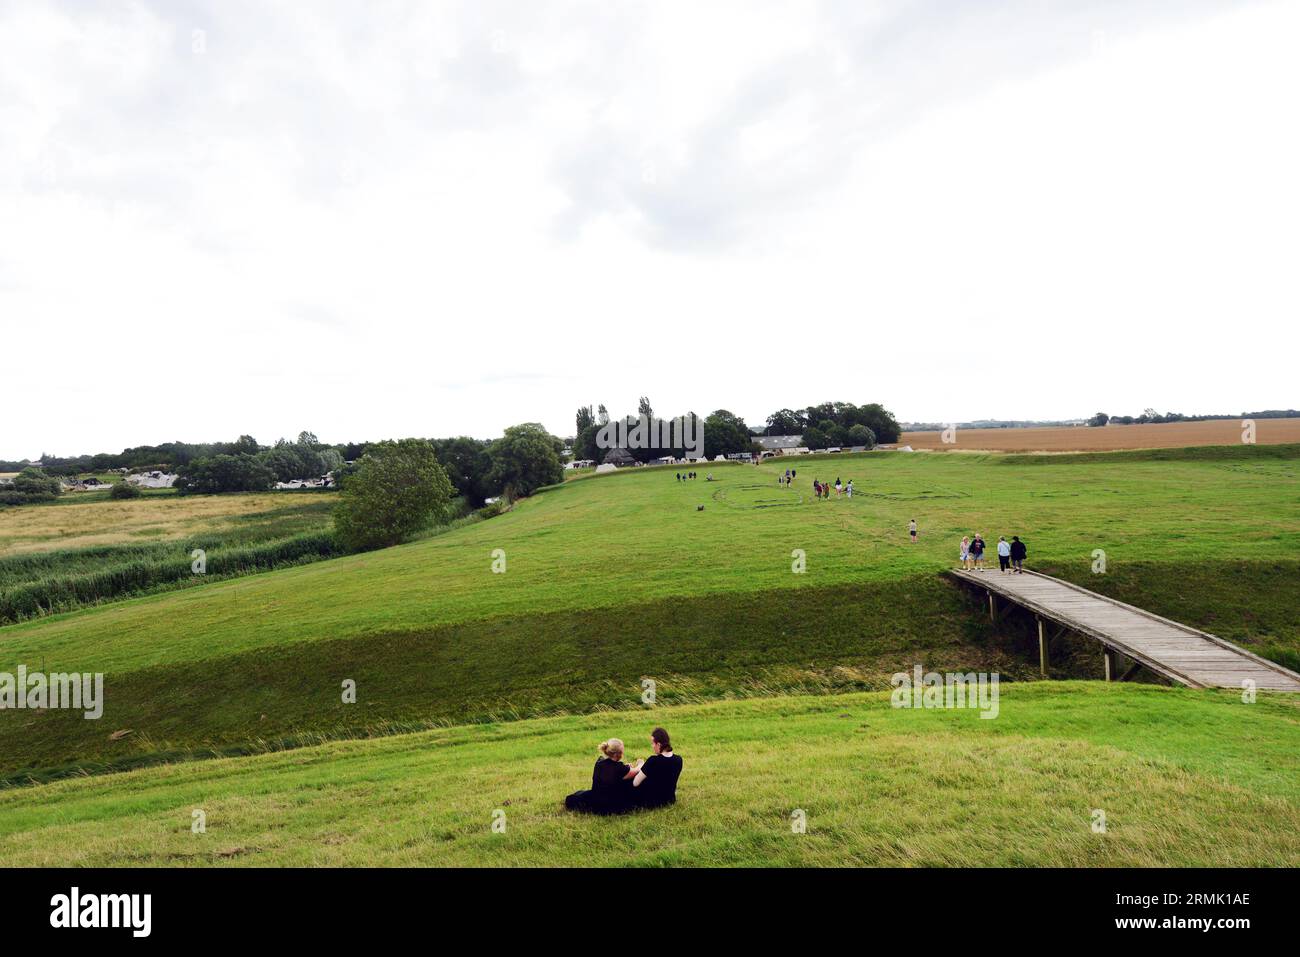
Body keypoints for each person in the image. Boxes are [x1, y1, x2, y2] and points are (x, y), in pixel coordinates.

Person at [564, 738, 637, 815]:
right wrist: (640, 763)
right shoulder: (619, 767)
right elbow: (636, 770)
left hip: (596, 801)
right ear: (616, 754)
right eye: (622, 751)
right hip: (612, 805)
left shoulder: (599, 763)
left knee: (575, 797)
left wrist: (627, 767)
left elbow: (613, 771)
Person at [630, 727, 682, 809]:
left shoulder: (653, 761)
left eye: (652, 743)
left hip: (651, 802)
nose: (652, 746)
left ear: (658, 745)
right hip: (669, 800)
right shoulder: (679, 760)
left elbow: (635, 783)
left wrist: (640, 766)